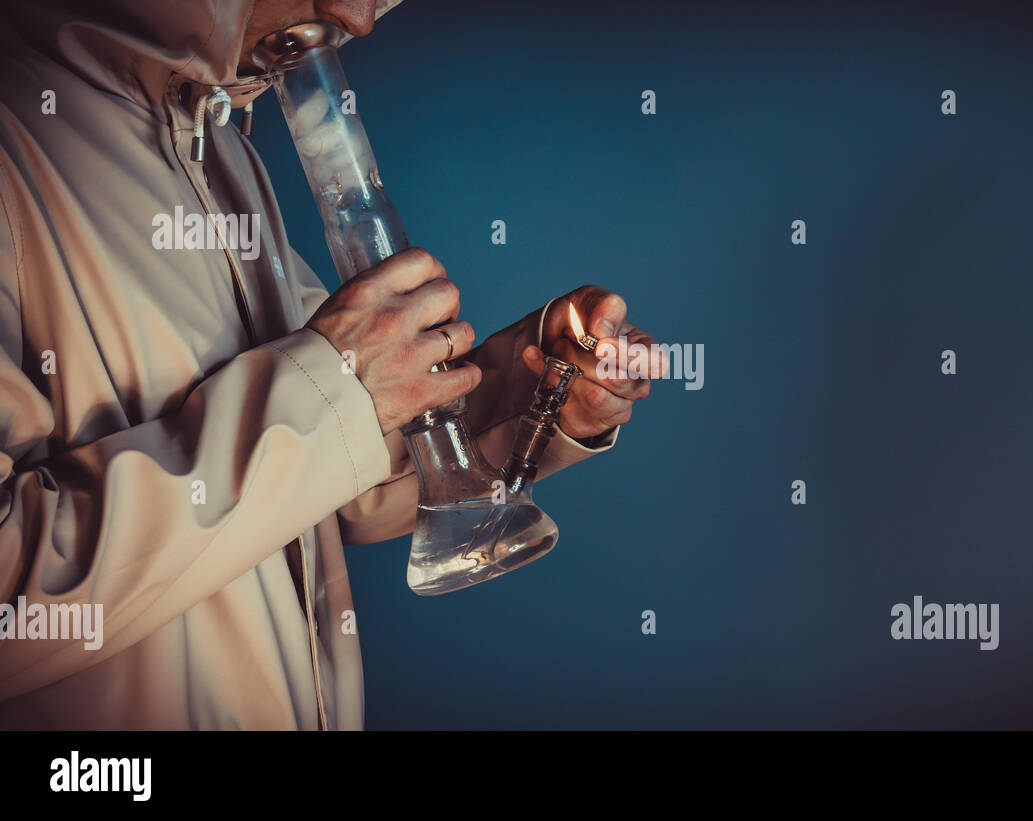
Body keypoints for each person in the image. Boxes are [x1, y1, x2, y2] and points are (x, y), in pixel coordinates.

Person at [0, 0, 656, 729]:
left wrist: (546, 392)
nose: (356, 18)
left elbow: (342, 468)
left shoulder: (216, 152)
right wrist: (334, 390)